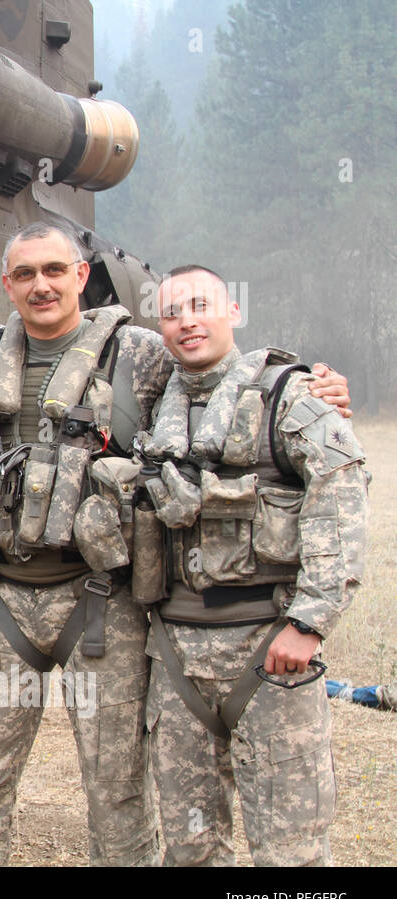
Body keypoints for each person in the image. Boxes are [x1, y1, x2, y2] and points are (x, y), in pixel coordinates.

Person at [0, 221, 353, 866]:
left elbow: (226, 373)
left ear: (81, 275)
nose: (41, 285)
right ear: (7, 284)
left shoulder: (142, 354)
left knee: (119, 792)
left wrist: (317, 386)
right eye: (25, 274)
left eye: (55, 270)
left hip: (103, 603)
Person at [138, 264, 365, 865]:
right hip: (176, 659)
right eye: (172, 312)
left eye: (201, 305)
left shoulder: (290, 396)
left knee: (290, 851)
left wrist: (309, 623)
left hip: (268, 652)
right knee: (190, 847)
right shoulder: (147, 404)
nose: (187, 322)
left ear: (232, 310)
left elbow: (340, 496)